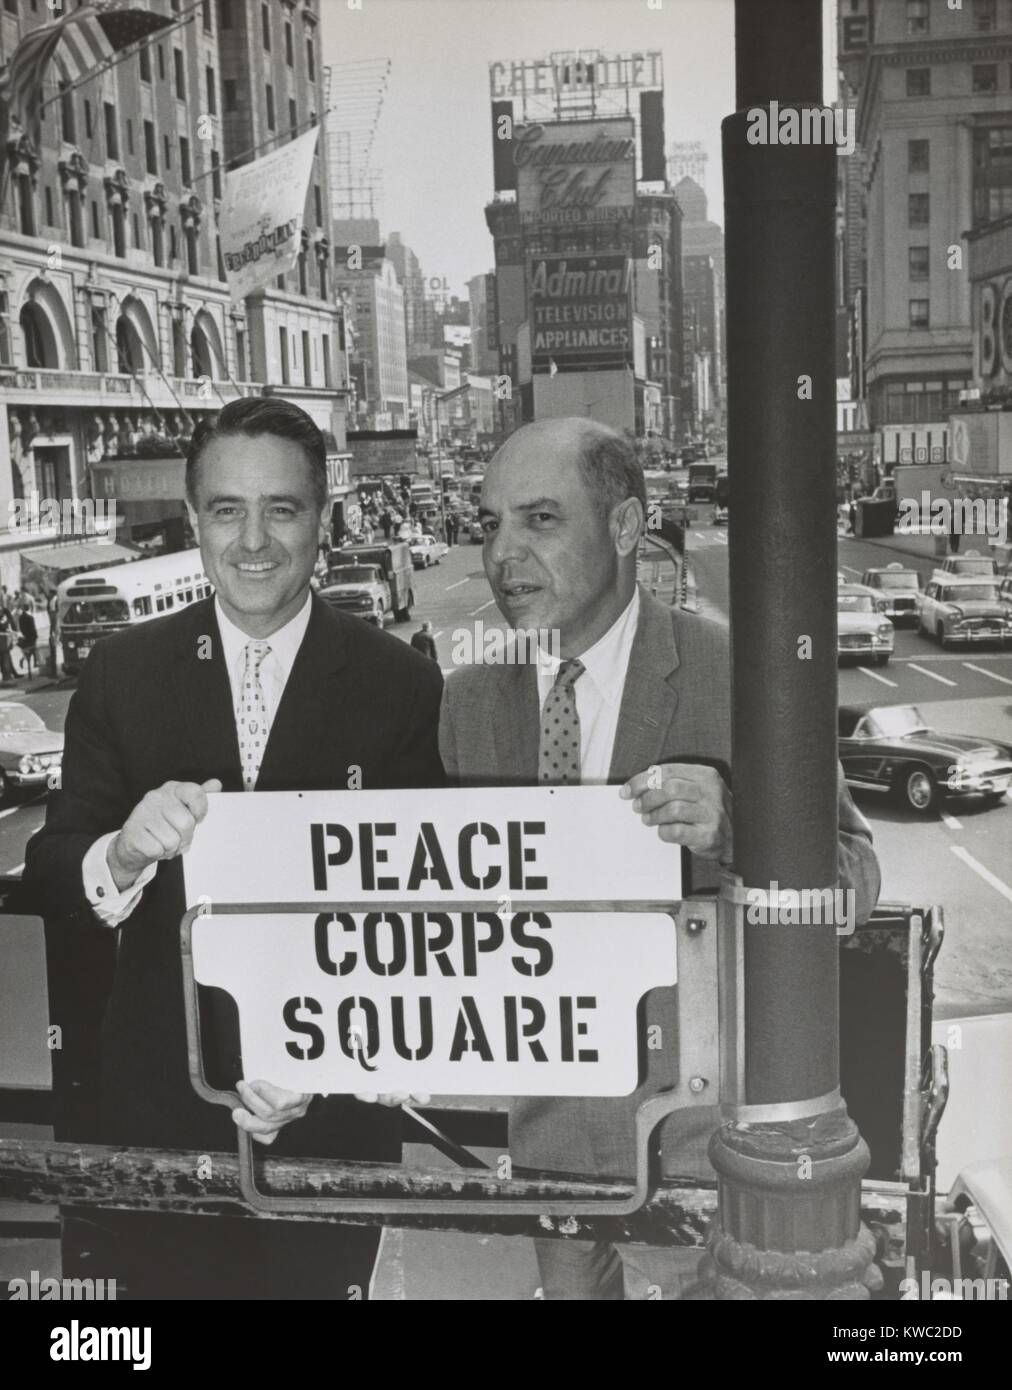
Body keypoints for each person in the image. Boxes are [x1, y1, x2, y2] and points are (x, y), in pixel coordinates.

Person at [438, 417, 882, 1301]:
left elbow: (855, 883)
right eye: (490, 523)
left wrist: (742, 838)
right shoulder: (467, 703)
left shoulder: (745, 679)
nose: (504, 554)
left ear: (628, 526)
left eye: (540, 520)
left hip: (711, 1164)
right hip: (555, 1159)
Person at [25, 397, 444, 1300]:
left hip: (332, 1130)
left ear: (321, 520)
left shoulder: (400, 685)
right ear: (194, 518)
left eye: (281, 509)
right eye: (227, 509)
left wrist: (326, 1065)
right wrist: (124, 855)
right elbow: (57, 870)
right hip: (157, 1121)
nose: (253, 541)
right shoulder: (121, 673)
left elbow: (421, 924)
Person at [17, 601, 38, 677]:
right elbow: (33, 628)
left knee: (27, 651)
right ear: (28, 608)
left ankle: (24, 659)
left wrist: (24, 634)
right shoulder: (30, 617)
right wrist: (35, 635)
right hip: (32, 637)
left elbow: (21, 627)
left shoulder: (21, 617)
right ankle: (35, 663)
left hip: (25, 636)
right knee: (33, 649)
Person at [0, 602, 17, 682]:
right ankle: (8, 675)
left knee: (6, 656)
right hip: (3, 638)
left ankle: (11, 673)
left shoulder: (5, 610)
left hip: (4, 638)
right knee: (5, 657)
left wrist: (13, 628)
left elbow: (10, 620)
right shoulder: (4, 611)